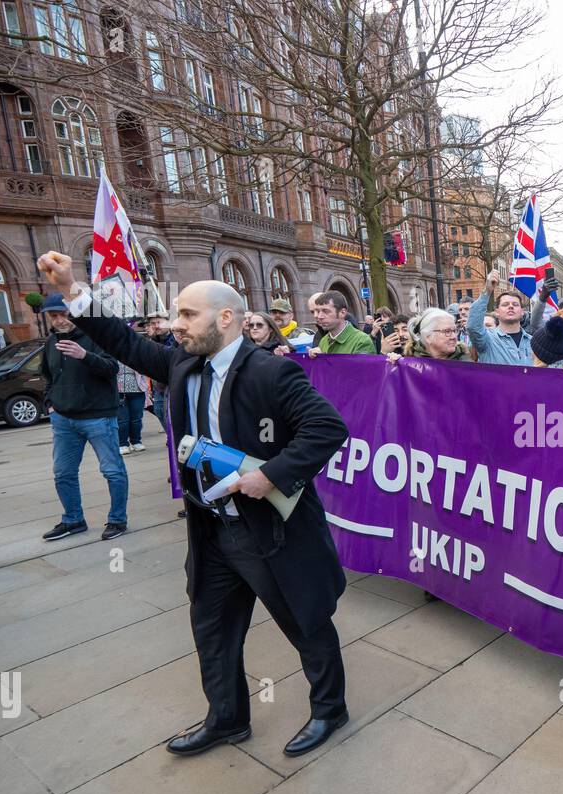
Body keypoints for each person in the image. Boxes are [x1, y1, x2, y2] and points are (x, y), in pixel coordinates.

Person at [36, 250, 354, 758]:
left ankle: (329, 709)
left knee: (303, 621)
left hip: (266, 531)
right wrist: (74, 290)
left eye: (188, 315)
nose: (176, 325)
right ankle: (226, 719)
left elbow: (327, 428)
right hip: (210, 531)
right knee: (212, 628)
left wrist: (268, 476)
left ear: (225, 318)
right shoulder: (181, 362)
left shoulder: (272, 373)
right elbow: (123, 341)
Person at [38, 293, 128, 542]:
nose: (59, 320)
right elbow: (48, 376)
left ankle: (117, 519)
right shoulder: (51, 342)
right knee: (63, 473)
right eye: (53, 316)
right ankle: (73, 520)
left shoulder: (97, 336)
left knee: (112, 471)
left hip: (98, 417)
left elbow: (112, 368)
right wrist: (50, 403)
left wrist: (84, 355)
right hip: (63, 419)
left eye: (64, 314)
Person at [467, 270, 533, 365]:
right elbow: (473, 327)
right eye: (505, 304)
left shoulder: (533, 342)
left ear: (522, 312)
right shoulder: (487, 340)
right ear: (497, 312)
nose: (511, 306)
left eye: (515, 304)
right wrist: (487, 291)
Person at [306, 291, 376, 355]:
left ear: (342, 313)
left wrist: (325, 361)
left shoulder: (362, 341)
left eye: (325, 311)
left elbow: (360, 369)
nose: (319, 316)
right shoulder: (323, 341)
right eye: (318, 311)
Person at [399, 308, 466, 360]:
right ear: (428, 337)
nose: (454, 337)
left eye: (454, 331)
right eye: (447, 331)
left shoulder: (466, 363)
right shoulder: (409, 365)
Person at [115, 355, 147, 455]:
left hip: (137, 390)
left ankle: (136, 441)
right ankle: (123, 444)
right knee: (122, 420)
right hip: (118, 392)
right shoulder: (109, 352)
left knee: (137, 419)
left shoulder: (134, 351)